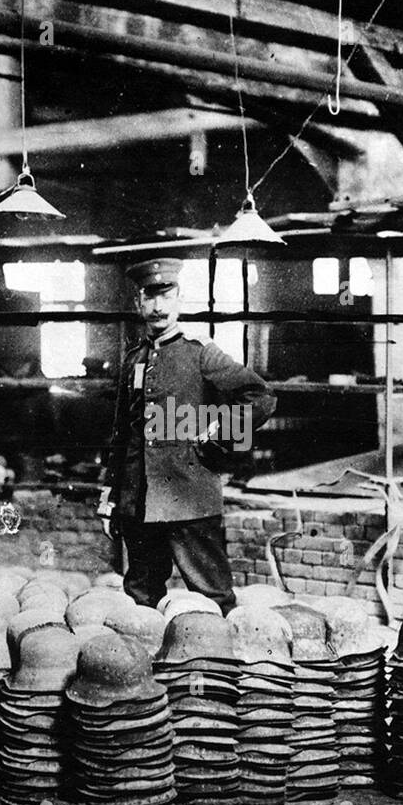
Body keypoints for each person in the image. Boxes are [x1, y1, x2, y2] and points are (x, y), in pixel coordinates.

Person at [98, 257, 276, 615]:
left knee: (214, 599)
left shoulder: (200, 353)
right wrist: (111, 494)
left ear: (180, 300)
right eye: (150, 296)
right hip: (140, 502)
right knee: (140, 598)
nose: (158, 306)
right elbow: (123, 434)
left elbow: (261, 398)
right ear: (139, 303)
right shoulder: (134, 358)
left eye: (166, 295)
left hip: (190, 497)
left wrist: (218, 431)